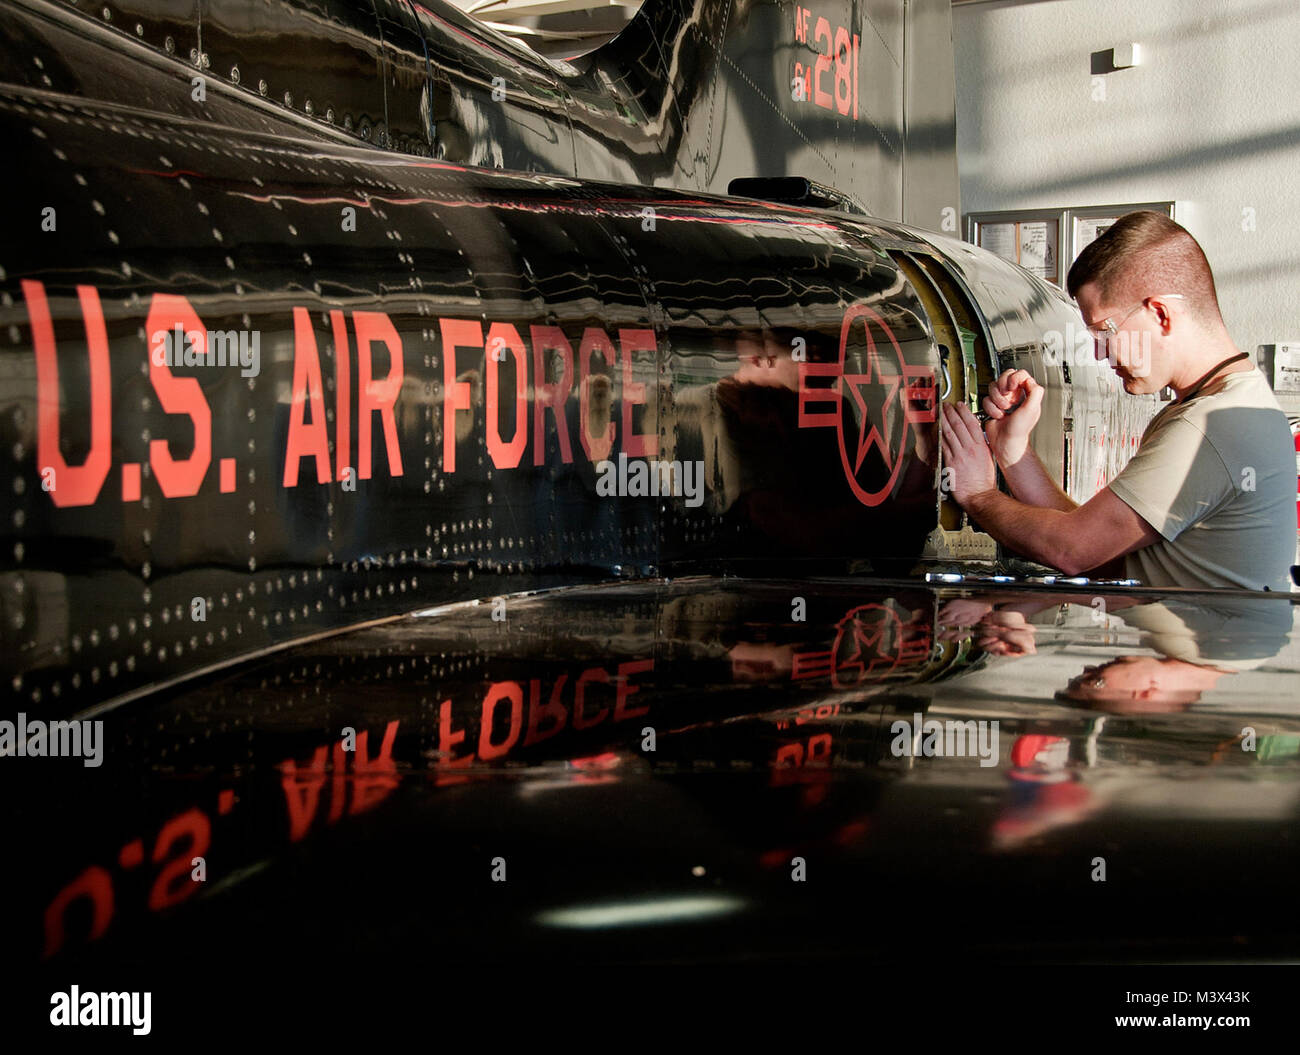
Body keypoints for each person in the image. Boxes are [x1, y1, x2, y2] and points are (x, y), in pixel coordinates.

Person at [941, 211, 1296, 591]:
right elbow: (1102, 551)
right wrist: (1013, 452)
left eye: (1103, 331)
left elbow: (1072, 551)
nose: (1097, 354)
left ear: (1160, 314)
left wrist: (979, 495)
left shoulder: (1213, 425)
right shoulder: (1218, 404)